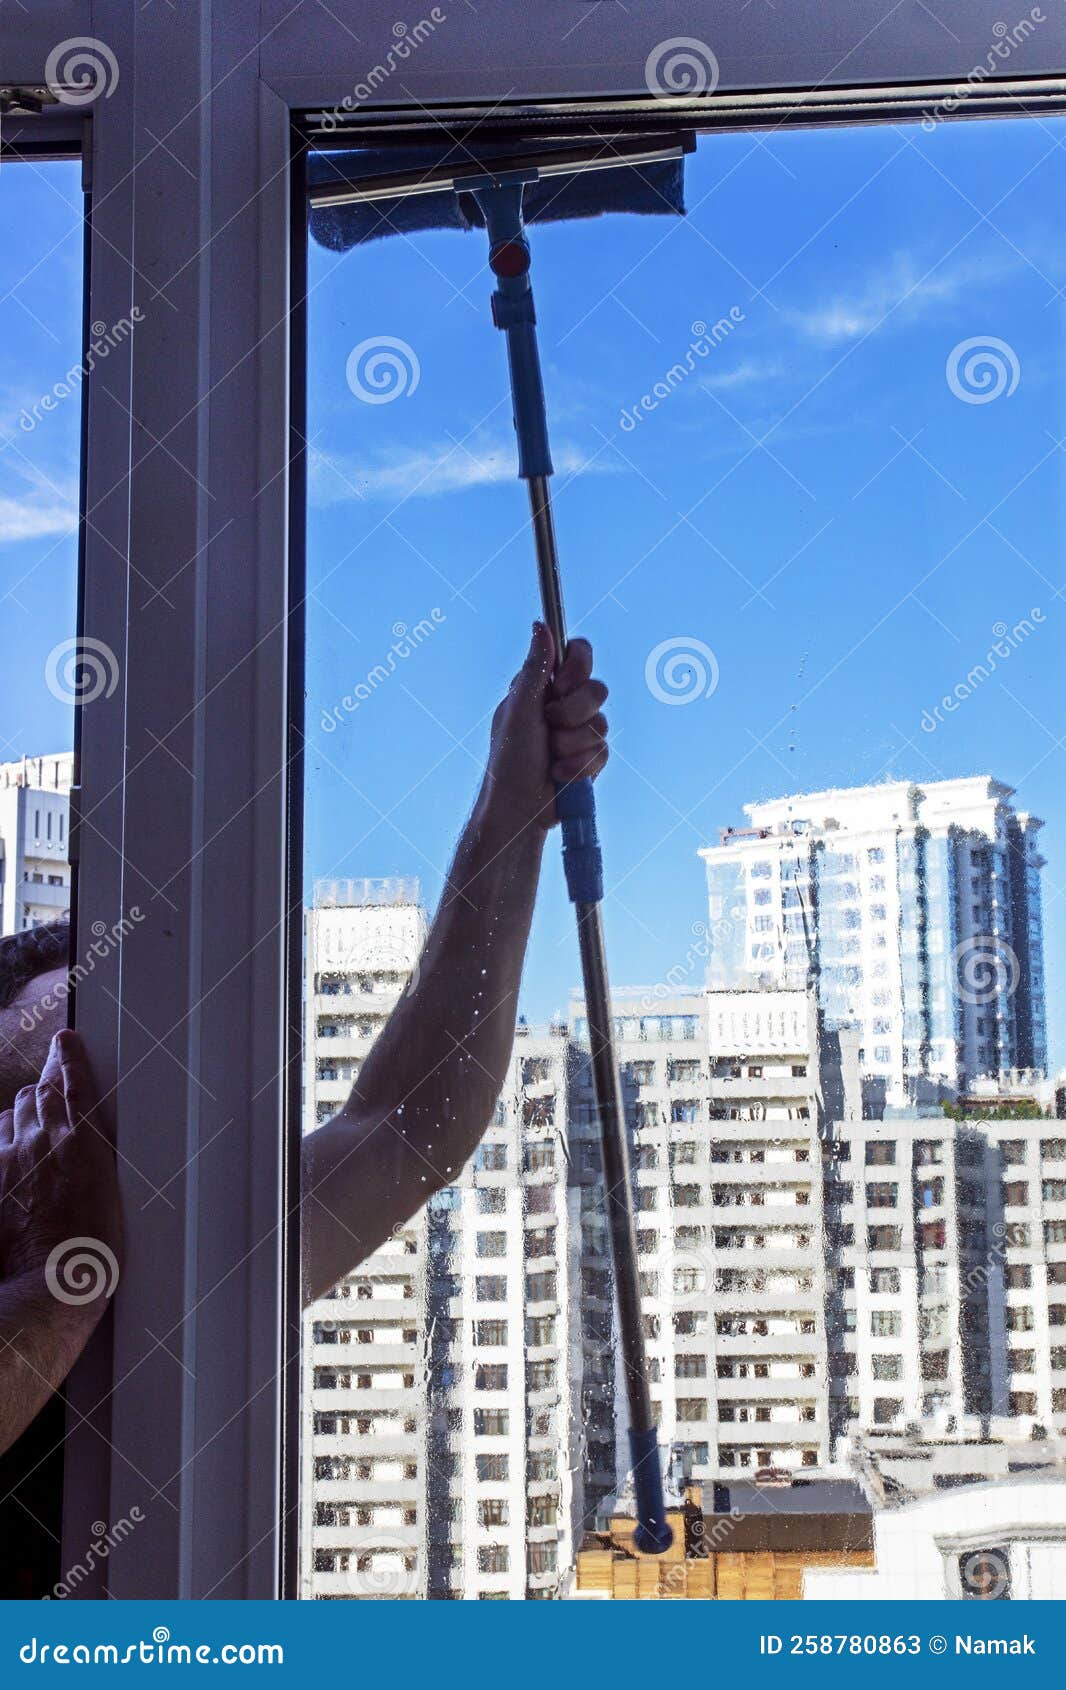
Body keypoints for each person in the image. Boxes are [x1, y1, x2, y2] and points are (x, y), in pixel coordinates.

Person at [0, 623, 608, 1453]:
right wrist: (56, 1283)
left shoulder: (165, 1255)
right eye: (64, 1057)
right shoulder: (80, 1253)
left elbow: (408, 1122)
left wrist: (514, 809)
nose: (92, 1100)